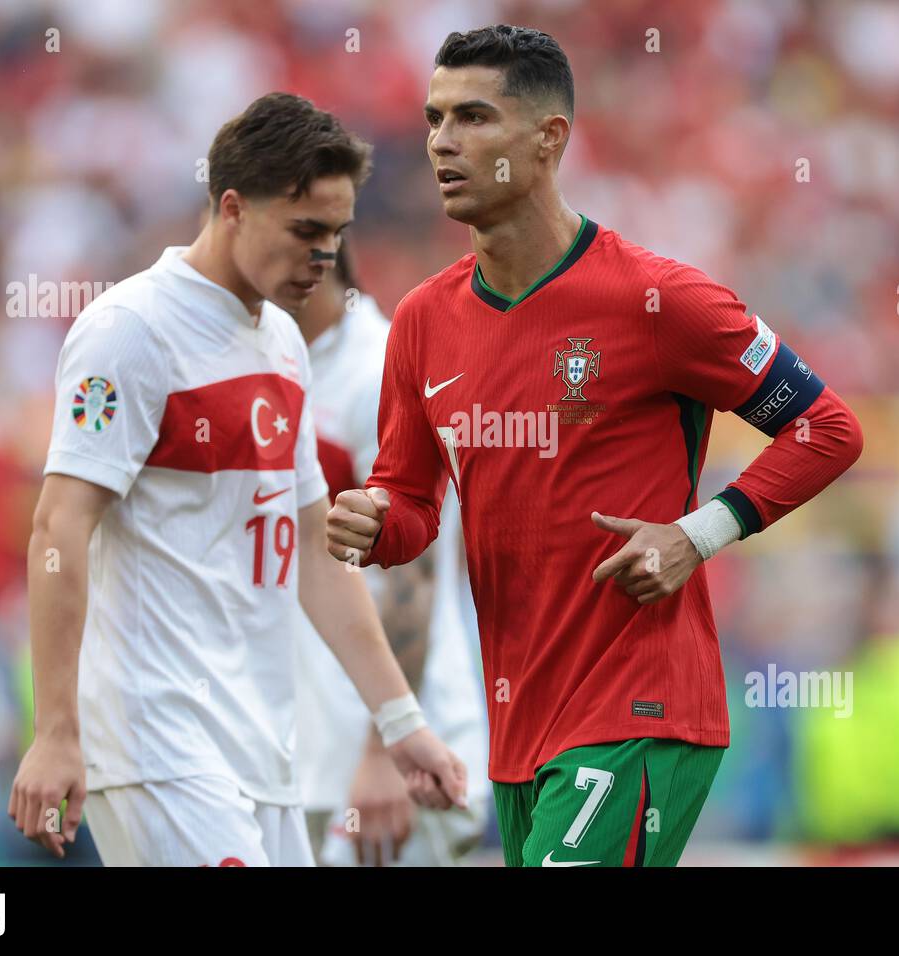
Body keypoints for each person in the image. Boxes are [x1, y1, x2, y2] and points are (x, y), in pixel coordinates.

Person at [325, 26, 863, 867]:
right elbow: (413, 507)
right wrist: (371, 518)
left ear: (549, 140)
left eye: (472, 117)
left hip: (640, 707)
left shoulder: (659, 299)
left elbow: (827, 428)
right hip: (521, 727)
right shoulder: (424, 323)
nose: (441, 142)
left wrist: (697, 535)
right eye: (434, 119)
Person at [9, 92, 465, 867]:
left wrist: (398, 722)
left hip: (262, 742)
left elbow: (320, 553)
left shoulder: (282, 342)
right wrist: (56, 732)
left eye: (337, 234)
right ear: (231, 208)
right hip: (159, 740)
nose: (324, 258)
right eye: (305, 232)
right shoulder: (132, 332)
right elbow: (58, 529)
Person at [293, 246, 490, 866]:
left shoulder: (379, 363)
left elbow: (417, 573)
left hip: (387, 768)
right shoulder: (273, 363)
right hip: (307, 758)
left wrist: (386, 750)